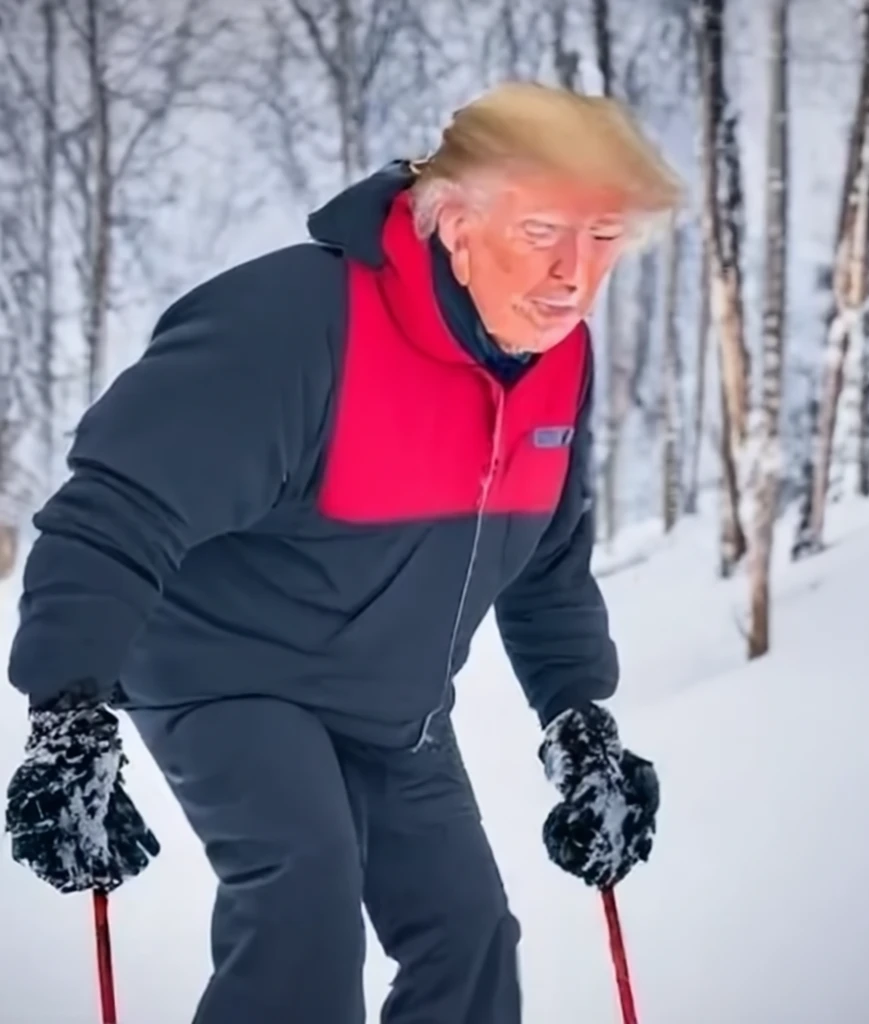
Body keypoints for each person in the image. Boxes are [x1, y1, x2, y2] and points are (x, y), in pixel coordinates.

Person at [4, 82, 679, 1023]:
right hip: (226, 667)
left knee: (469, 934)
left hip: (393, 699)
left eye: (602, 237)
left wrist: (578, 721)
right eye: (541, 233)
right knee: (303, 899)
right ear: (453, 220)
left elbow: (550, 560)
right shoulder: (296, 324)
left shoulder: (557, 361)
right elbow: (114, 506)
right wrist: (67, 712)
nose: (574, 272)